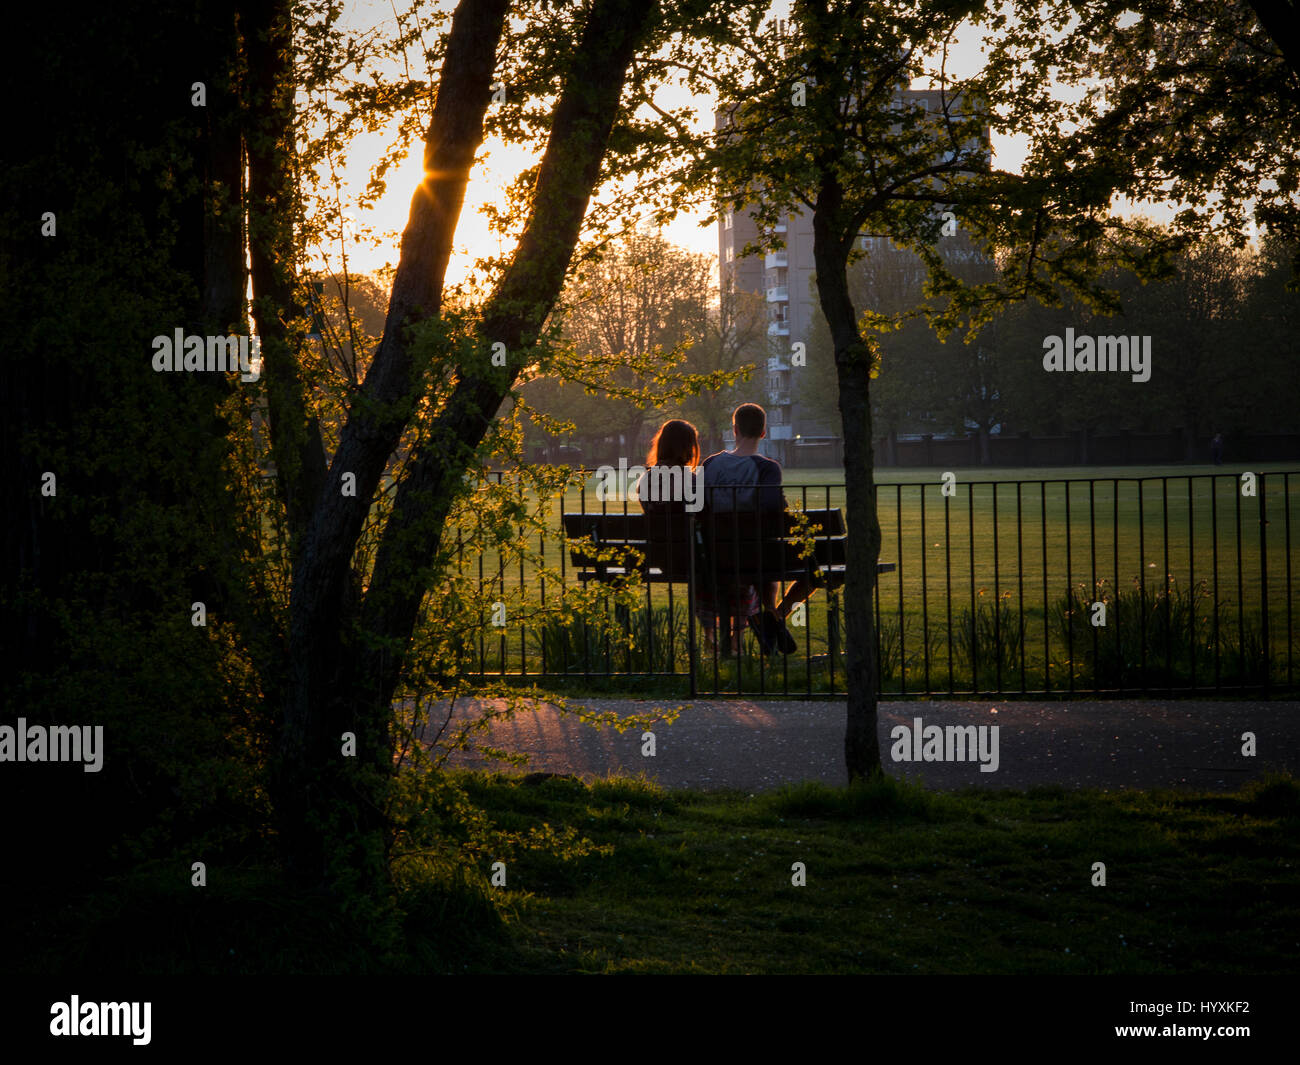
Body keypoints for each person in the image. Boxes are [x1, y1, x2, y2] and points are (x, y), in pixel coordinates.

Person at [701, 403, 813, 654]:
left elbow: (699, 509)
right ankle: (776, 616)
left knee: (760, 557)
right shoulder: (767, 468)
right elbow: (772, 510)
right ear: (764, 433)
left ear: (734, 430)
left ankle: (769, 620)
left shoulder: (710, 464)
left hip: (719, 557)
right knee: (814, 563)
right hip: (761, 558)